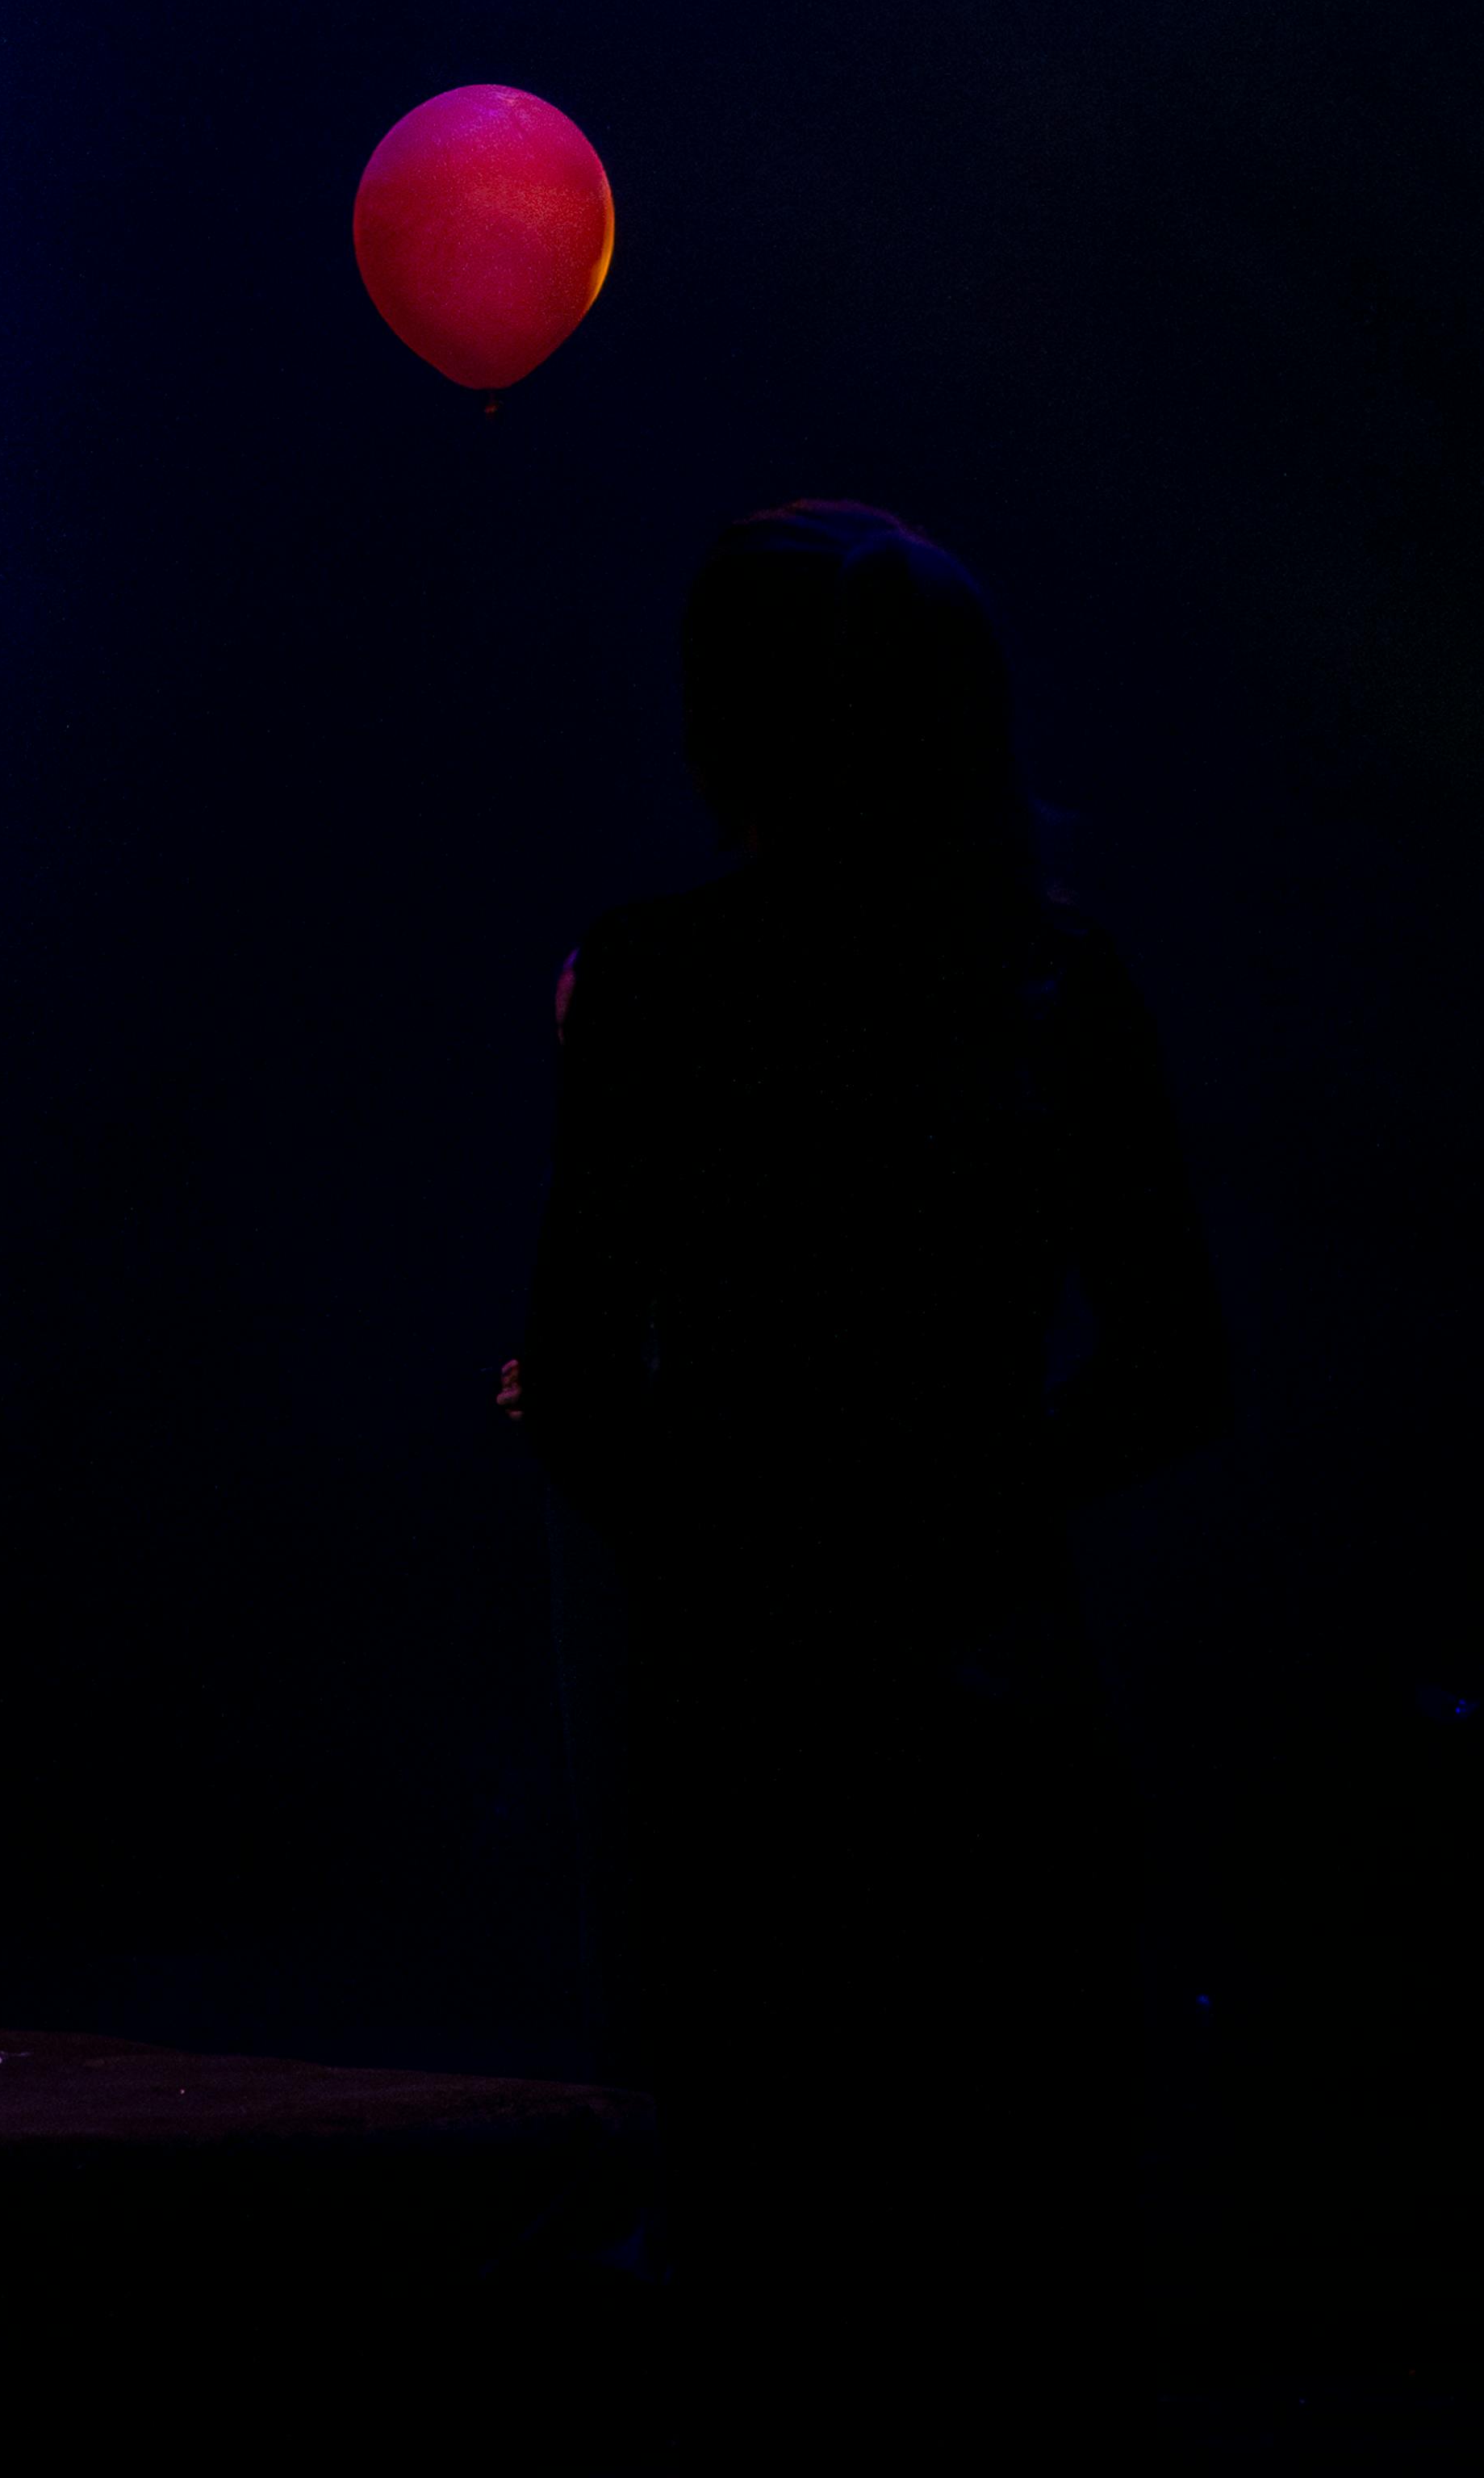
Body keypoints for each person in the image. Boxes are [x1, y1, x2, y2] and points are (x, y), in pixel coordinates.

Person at [508, 501, 1223, 2435]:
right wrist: (966, 1497)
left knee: (786, 2247)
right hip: (990, 1670)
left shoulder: (658, 973)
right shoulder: (1046, 972)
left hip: (760, 1701)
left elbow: (569, 1373)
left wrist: (742, 1542)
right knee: (1018, 2238)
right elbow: (1174, 1361)